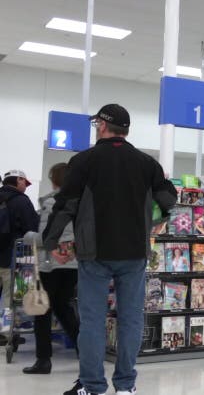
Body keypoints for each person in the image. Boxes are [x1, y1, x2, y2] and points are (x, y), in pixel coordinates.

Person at [44, 104, 177, 395]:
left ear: (102, 126)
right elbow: (168, 198)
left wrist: (51, 242)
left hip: (95, 253)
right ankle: (126, 387)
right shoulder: (147, 163)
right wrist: (156, 220)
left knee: (92, 321)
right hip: (134, 252)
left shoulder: (84, 161)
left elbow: (65, 204)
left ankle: (92, 387)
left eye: (96, 124)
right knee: (131, 320)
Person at [23, 163, 80, 375]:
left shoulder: (52, 202)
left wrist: (28, 236)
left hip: (52, 265)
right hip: (72, 264)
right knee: (64, 308)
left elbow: (46, 237)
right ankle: (84, 350)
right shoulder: (81, 203)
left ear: (54, 180)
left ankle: (43, 360)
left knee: (42, 311)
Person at [0, 169, 39, 338]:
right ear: (19, 181)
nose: (26, 186)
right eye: (25, 183)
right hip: (16, 256)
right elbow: (32, 229)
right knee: (13, 297)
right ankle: (5, 331)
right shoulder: (22, 201)